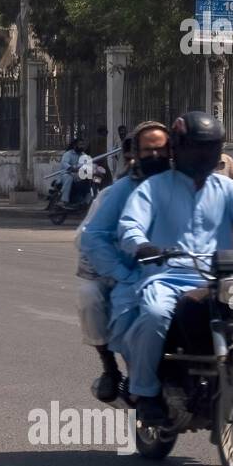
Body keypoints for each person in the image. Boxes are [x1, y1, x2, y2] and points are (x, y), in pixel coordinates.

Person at [116, 112, 233, 424]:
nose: (204, 154)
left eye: (211, 147)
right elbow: (131, 225)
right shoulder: (154, 188)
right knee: (155, 315)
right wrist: (142, 245)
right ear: (179, 148)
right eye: (198, 147)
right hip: (167, 277)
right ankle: (144, 392)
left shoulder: (225, 187)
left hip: (222, 278)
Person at [77, 121, 171, 401]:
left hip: (170, 269)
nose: (149, 158)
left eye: (160, 150)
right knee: (90, 296)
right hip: (119, 270)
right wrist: (120, 270)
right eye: (141, 153)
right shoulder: (113, 194)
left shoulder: (183, 185)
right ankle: (111, 368)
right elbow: (88, 239)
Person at [51, 138, 87, 205]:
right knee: (69, 178)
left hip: (78, 175)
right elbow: (65, 163)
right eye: (80, 144)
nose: (82, 146)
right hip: (66, 174)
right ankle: (64, 200)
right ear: (75, 145)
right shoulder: (68, 154)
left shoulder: (84, 155)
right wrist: (71, 168)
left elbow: (87, 163)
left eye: (83, 144)